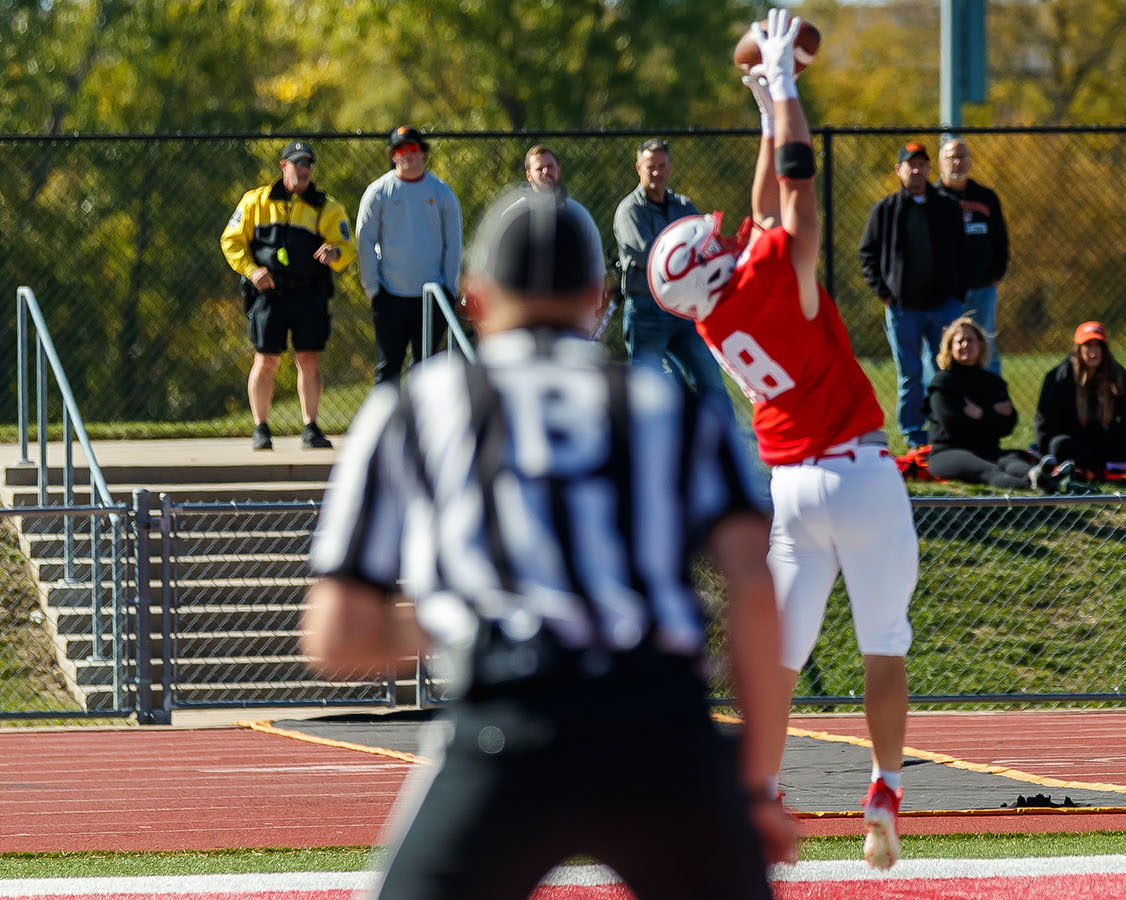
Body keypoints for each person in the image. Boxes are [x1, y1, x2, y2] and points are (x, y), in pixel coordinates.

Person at [303, 189, 795, 900]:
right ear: (598, 299)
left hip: (507, 723)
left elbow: (336, 635)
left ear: (475, 298)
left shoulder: (416, 406)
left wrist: (483, 612)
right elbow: (754, 589)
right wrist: (750, 787)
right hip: (660, 731)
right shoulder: (670, 407)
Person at [648, 8, 918, 870]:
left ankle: (759, 798)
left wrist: (766, 107)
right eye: (715, 241)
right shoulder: (766, 275)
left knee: (782, 658)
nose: (729, 235)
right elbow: (795, 194)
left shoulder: (713, 320)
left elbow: (767, 207)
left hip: (792, 491)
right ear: (713, 264)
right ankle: (883, 789)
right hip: (859, 472)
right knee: (884, 642)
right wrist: (789, 92)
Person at [221, 140, 354, 451]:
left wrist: (334, 253)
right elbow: (231, 240)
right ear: (284, 166)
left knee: (308, 358)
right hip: (269, 294)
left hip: (309, 294)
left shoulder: (327, 207)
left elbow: (347, 246)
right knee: (266, 358)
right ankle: (261, 428)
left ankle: (310, 427)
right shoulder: (256, 201)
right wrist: (251, 270)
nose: (304, 169)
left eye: (308, 164)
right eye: (298, 163)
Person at [613, 138, 734, 421]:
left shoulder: (683, 205)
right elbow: (655, 259)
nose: (657, 172)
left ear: (670, 167)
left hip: (685, 312)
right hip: (646, 311)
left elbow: (706, 243)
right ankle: (647, 442)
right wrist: (690, 259)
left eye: (662, 165)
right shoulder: (630, 210)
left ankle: (727, 439)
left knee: (711, 383)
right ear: (639, 168)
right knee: (648, 390)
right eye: (650, 167)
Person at [859, 140, 966, 448]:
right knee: (910, 373)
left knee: (945, 370)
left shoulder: (946, 206)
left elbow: (962, 251)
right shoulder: (886, 210)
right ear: (898, 169)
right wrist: (884, 292)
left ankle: (945, 428)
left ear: (929, 168)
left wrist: (957, 292)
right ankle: (914, 434)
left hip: (943, 305)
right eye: (911, 164)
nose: (917, 170)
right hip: (903, 308)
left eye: (922, 164)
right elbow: (867, 253)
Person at [355, 126, 463, 386]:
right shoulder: (378, 192)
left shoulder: (441, 193)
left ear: (423, 152)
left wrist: (449, 288)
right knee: (388, 368)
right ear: (393, 155)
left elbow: (453, 244)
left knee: (427, 371)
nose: (407, 154)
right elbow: (364, 239)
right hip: (389, 296)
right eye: (400, 149)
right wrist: (373, 288)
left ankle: (423, 415)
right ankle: (387, 414)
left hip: (433, 296)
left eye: (412, 147)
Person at [923, 317, 1055, 491]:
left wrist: (981, 414)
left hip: (987, 450)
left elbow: (1007, 425)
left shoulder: (993, 383)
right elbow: (953, 425)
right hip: (948, 452)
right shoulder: (943, 382)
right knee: (990, 470)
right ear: (950, 347)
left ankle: (1047, 481)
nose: (965, 345)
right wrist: (991, 417)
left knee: (1011, 462)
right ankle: (1033, 489)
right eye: (959, 341)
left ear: (980, 345)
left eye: (970, 340)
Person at [1033, 321, 1126, 476]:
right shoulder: (1060, 376)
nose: (1093, 352)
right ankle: (1108, 464)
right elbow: (1044, 421)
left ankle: (1096, 464)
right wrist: (1046, 451)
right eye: (1088, 346)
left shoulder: (1117, 375)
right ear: (1078, 349)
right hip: (1074, 438)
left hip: (1105, 440)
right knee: (1059, 445)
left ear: (1104, 349)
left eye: (1098, 345)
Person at [935, 138, 1009, 376]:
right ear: (940, 163)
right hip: (944, 293)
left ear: (969, 162)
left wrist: (995, 274)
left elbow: (1001, 241)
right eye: (951, 158)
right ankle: (941, 398)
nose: (957, 163)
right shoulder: (933, 198)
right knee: (942, 347)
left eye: (962, 157)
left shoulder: (986, 198)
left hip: (982, 290)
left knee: (985, 345)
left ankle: (991, 396)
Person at [526, 143, 605, 290]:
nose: (546, 171)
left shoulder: (578, 214)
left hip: (570, 297)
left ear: (558, 170)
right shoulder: (516, 215)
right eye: (539, 168)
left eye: (550, 166)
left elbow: (596, 266)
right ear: (529, 175)